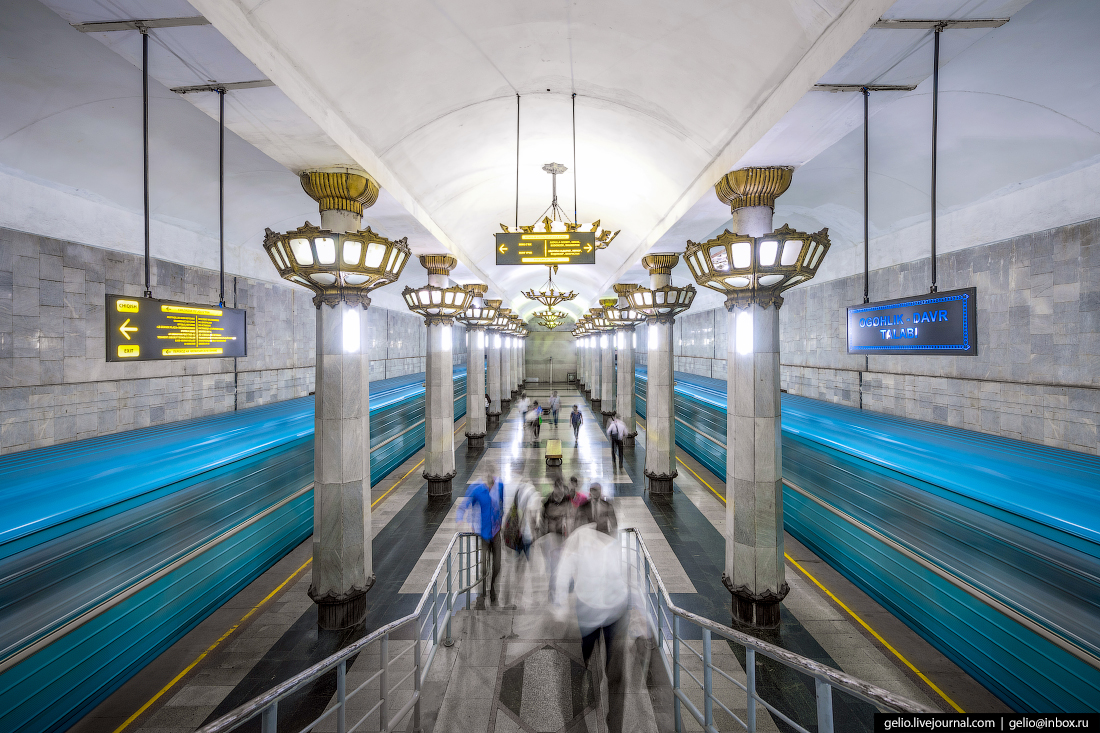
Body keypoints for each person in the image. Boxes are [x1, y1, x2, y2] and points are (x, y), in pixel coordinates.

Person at [554, 524, 630, 733]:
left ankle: (615, 726)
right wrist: (561, 604)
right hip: (588, 612)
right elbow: (564, 568)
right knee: (584, 659)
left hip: (615, 612)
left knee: (616, 674)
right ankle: (589, 693)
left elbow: (629, 578)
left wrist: (641, 619)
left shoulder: (614, 542)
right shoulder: (580, 537)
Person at [457, 466, 504, 605]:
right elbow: (464, 505)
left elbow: (502, 504)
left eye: (491, 473)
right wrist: (461, 520)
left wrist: (501, 521)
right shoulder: (477, 489)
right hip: (483, 535)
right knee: (483, 567)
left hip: (496, 534)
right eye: (487, 473)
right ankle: (482, 596)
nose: (489, 476)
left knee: (497, 566)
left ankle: (493, 589)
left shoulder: (500, 486)